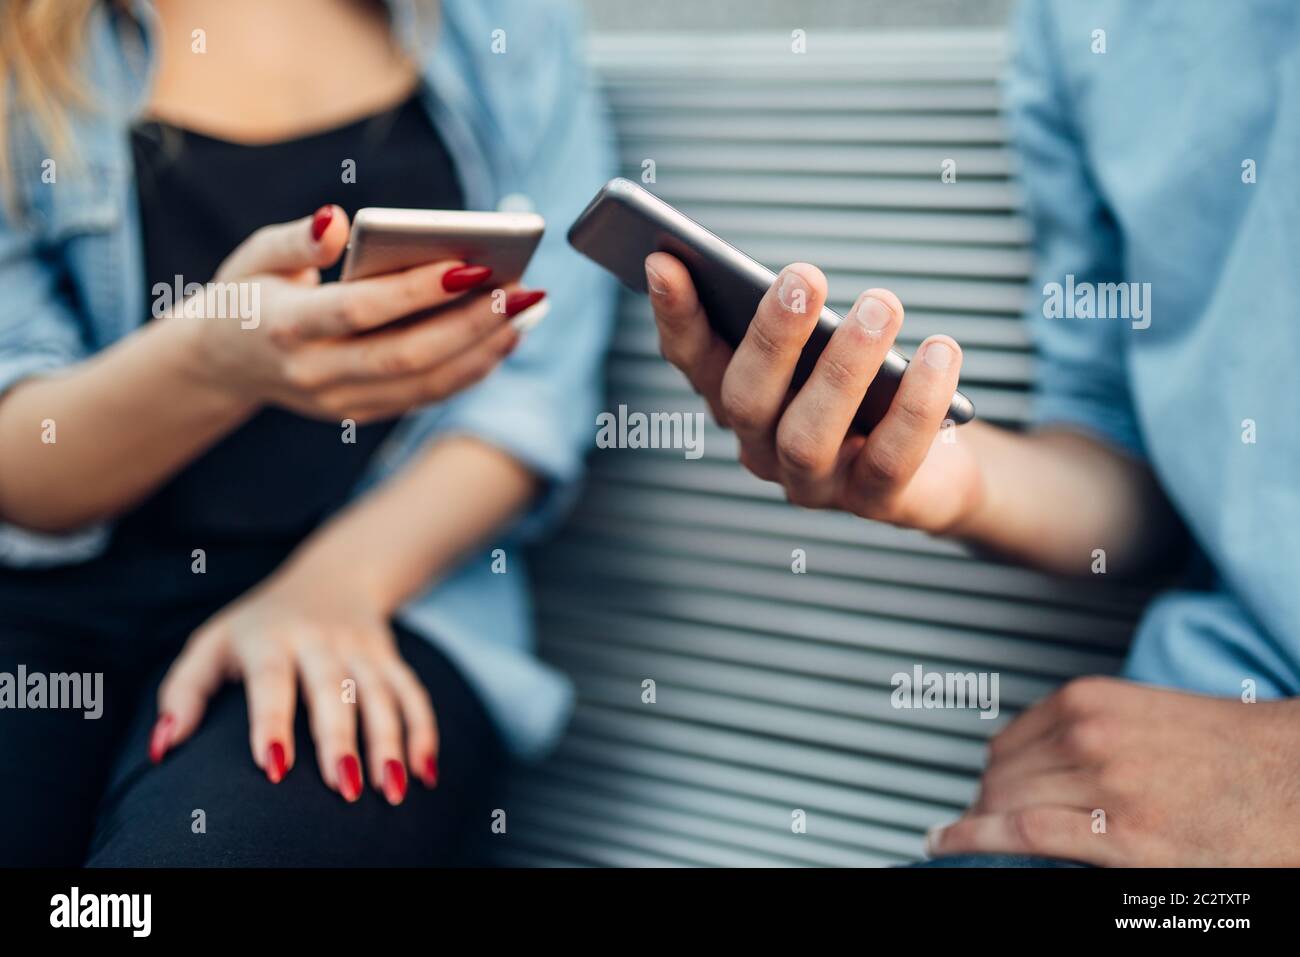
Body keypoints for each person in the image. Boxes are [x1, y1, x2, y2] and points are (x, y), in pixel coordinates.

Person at [646, 0, 1300, 867]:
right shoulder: (1082, 23)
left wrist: (1277, 777)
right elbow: (1130, 458)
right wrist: (947, 476)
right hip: (1176, 747)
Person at [0, 0, 615, 866]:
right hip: (58, 607)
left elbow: (533, 395)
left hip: (380, 597)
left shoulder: (502, 25)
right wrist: (209, 365)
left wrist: (333, 587)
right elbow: (23, 455)